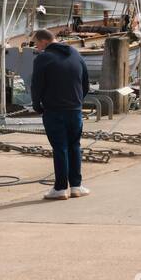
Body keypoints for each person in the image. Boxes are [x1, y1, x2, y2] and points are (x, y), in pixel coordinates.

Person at [29, 28, 90, 200]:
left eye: (37, 44)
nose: (37, 48)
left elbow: (37, 85)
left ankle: (61, 188)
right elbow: (85, 82)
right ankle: (76, 186)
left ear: (44, 42)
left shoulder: (43, 58)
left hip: (54, 110)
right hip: (75, 109)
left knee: (60, 148)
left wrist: (37, 105)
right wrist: (78, 100)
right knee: (74, 146)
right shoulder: (74, 53)